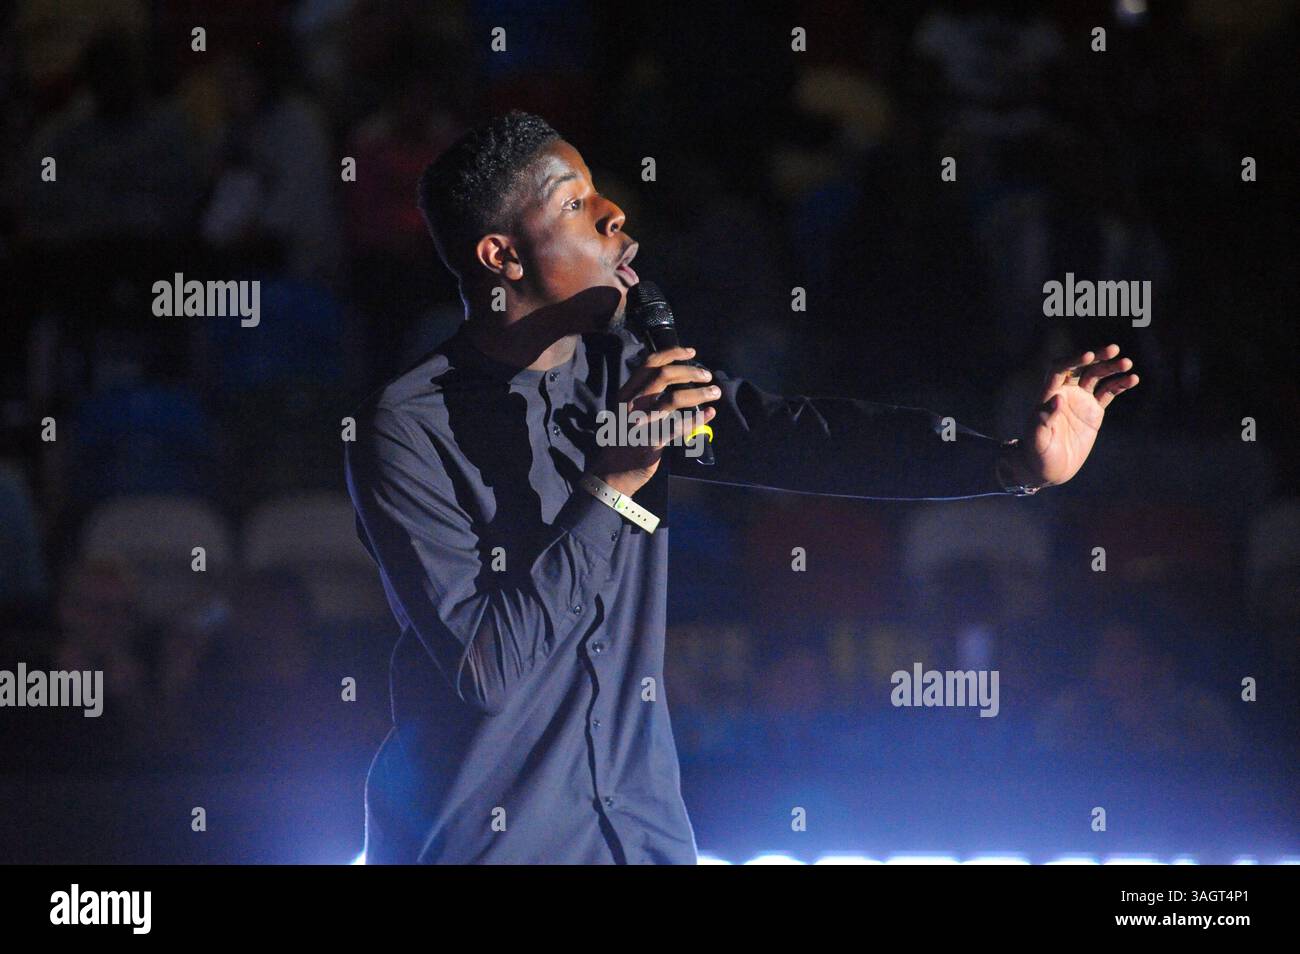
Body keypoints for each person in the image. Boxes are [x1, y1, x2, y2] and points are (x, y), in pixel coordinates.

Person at [343, 111, 1138, 864]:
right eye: (577, 202)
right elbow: (490, 669)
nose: (616, 213)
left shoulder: (624, 375)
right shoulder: (409, 428)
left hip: (640, 842)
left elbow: (803, 439)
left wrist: (1004, 464)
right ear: (501, 257)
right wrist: (612, 485)